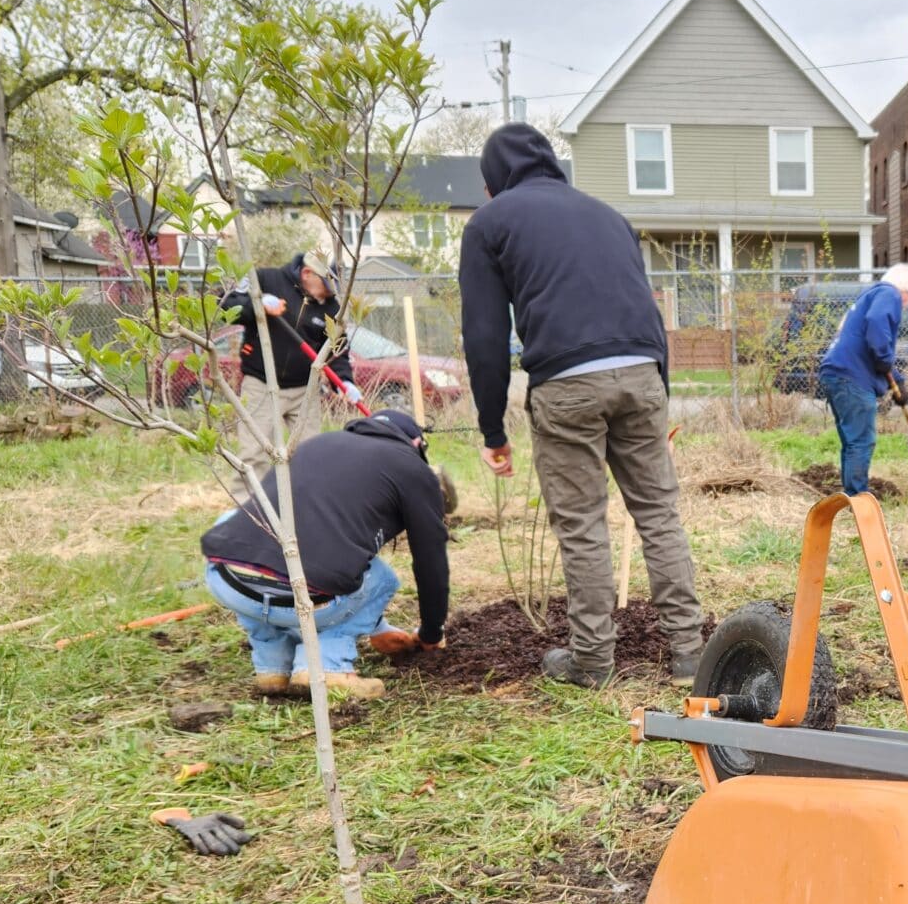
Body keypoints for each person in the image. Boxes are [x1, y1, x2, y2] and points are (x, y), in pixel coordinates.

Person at [459, 123, 705, 690]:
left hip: (566, 384)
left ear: (495, 178)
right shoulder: (608, 215)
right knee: (659, 514)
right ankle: (690, 651)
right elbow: (645, 307)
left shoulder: (490, 222)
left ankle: (593, 661)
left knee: (583, 525)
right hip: (642, 373)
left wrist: (492, 429)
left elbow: (485, 335)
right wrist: (659, 392)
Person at [201, 411, 448, 699]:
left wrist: (377, 627)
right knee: (382, 578)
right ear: (417, 443)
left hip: (230, 581)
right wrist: (432, 632)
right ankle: (327, 668)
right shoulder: (412, 468)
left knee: (245, 530)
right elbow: (431, 561)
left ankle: (272, 668)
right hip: (303, 597)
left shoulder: (317, 444)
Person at [220, 250, 354, 476]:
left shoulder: (330, 307)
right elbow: (226, 305)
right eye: (327, 286)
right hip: (260, 384)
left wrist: (345, 381)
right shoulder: (266, 279)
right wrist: (257, 304)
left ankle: (304, 508)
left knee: (311, 456)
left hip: (304, 390)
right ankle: (252, 509)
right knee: (253, 454)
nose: (331, 293)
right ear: (307, 273)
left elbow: (336, 349)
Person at [818, 265, 908, 495]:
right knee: (861, 441)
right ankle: (858, 500)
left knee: (852, 442)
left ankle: (850, 497)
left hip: (836, 373)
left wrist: (898, 382)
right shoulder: (889, 293)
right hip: (851, 377)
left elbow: (870, 346)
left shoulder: (869, 296)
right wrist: (884, 358)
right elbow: (877, 326)